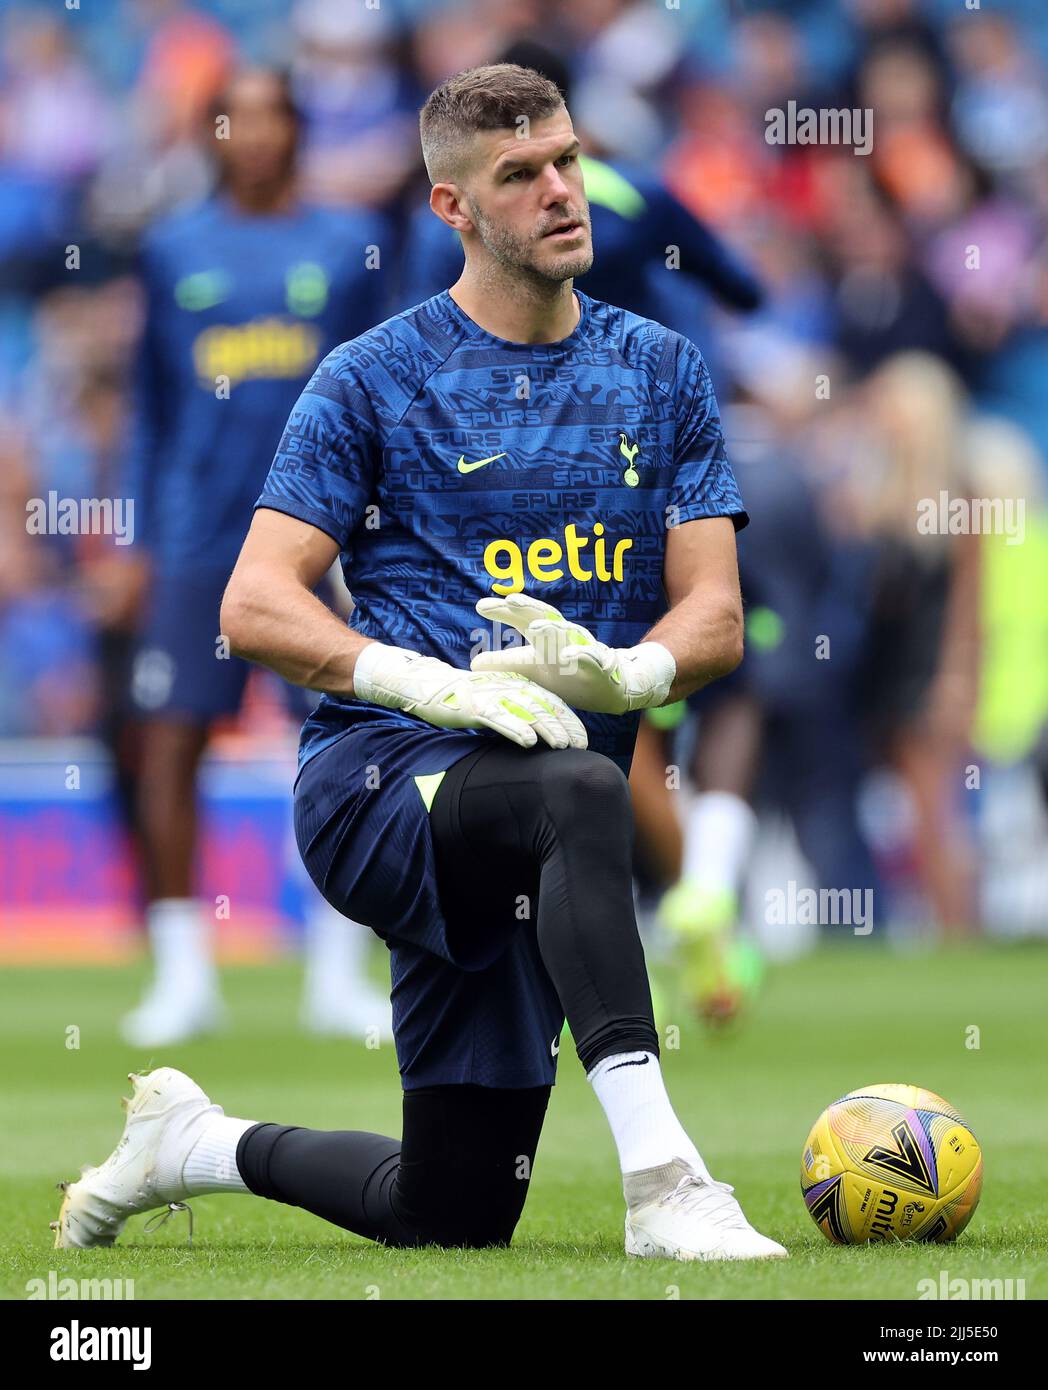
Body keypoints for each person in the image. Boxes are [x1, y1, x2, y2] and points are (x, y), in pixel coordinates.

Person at [55, 64, 786, 1263]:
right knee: (584, 787)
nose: (562, 190)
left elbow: (713, 612)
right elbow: (253, 604)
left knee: (449, 1212)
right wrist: (424, 680)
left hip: (538, 824)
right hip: (382, 783)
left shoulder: (662, 371)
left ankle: (188, 1144)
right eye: (520, 175)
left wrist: (630, 677)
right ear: (453, 209)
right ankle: (666, 1184)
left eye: (565, 159)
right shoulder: (371, 376)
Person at [118, 68, 392, 1046]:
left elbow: (378, 392)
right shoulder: (169, 248)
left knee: (349, 744)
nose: (256, 133)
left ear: (298, 130)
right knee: (171, 737)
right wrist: (135, 539)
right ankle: (183, 975)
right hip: (197, 536)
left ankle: (335, 972)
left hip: (318, 536)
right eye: (237, 117)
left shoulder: (343, 244)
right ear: (213, 133)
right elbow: (150, 406)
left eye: (275, 114)